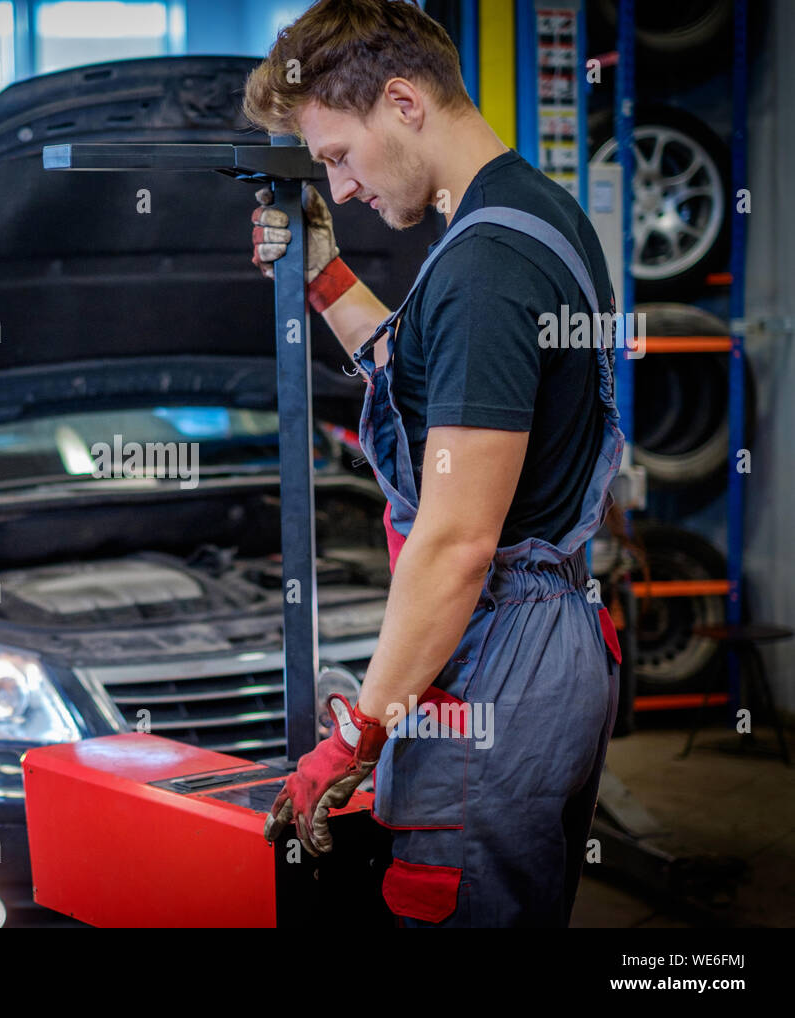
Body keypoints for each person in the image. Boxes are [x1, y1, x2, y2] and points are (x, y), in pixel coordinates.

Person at [250, 0, 625, 926]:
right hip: (555, 636)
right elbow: (438, 381)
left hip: (501, 650)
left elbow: (457, 541)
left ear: (404, 103)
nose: (338, 190)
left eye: (338, 155)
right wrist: (325, 275)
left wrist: (357, 734)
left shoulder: (484, 264)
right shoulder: (533, 213)